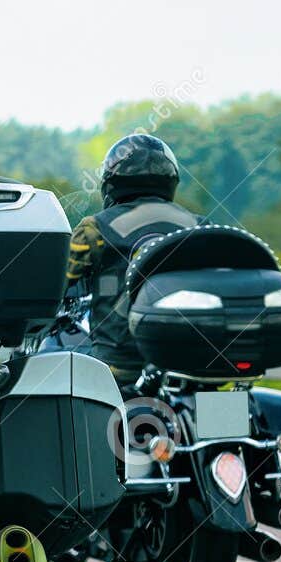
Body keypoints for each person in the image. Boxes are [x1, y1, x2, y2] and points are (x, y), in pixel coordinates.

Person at [65, 133, 200, 385]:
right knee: (225, 420)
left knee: (58, 377)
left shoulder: (95, 228)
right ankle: (230, 423)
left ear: (111, 181)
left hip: (117, 365)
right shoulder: (199, 226)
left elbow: (56, 283)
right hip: (188, 361)